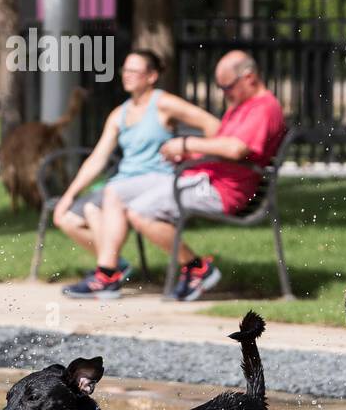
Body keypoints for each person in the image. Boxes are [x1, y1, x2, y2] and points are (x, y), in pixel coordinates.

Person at [55, 50, 220, 299]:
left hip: (157, 178)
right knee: (69, 216)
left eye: (135, 71)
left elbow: (212, 125)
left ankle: (106, 275)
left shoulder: (163, 103)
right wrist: (69, 195)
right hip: (125, 182)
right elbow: (97, 158)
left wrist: (189, 150)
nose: (127, 76)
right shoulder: (118, 114)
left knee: (114, 193)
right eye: (125, 70)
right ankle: (113, 266)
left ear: (152, 76)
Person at [125, 50, 287, 302]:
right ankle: (189, 269)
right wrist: (189, 155)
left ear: (250, 77)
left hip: (222, 191)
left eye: (228, 87)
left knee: (140, 212)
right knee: (129, 200)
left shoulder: (264, 108)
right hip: (206, 180)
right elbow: (223, 145)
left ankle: (197, 268)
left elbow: (235, 148)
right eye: (221, 87)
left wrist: (188, 144)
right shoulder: (242, 106)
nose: (225, 93)